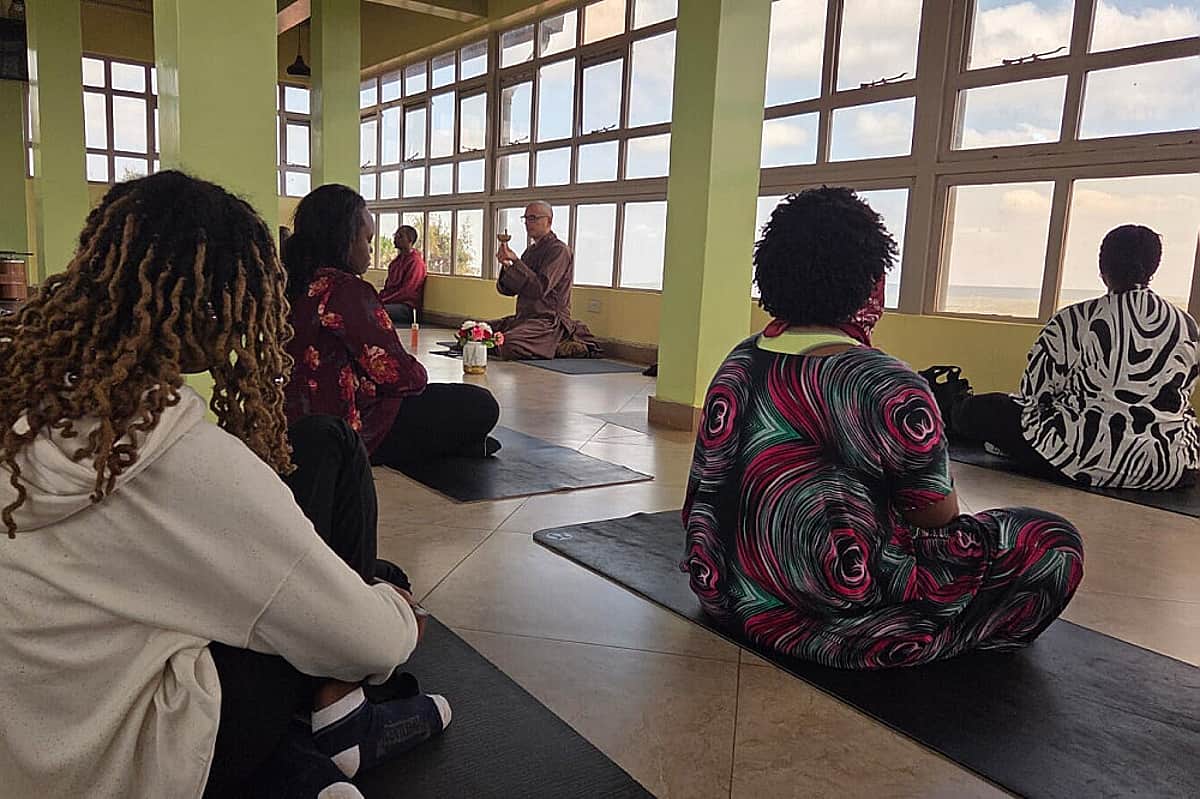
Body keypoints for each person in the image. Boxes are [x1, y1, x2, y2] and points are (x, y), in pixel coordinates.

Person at [0, 171, 450, 799]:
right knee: (331, 602)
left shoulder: (26, 403)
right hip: (121, 762)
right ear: (217, 308)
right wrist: (398, 618)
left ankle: (311, 741)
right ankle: (336, 716)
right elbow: (371, 641)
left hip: (27, 741)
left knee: (322, 451)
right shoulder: (185, 461)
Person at [682, 187, 1084, 670]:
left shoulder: (740, 361)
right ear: (869, 281)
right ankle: (960, 636)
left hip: (725, 595)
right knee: (1052, 539)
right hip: (840, 625)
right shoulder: (887, 384)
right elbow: (938, 522)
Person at [953, 224, 1200, 490]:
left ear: (1102, 268)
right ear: (1154, 268)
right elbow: (1181, 398)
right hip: (1169, 468)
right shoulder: (1187, 325)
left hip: (1084, 459)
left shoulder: (1074, 319)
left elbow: (1033, 397)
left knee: (980, 410)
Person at [282, 184, 500, 466]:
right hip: (349, 428)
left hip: (294, 420)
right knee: (479, 405)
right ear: (345, 240)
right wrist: (416, 374)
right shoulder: (346, 291)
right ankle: (456, 443)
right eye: (367, 240)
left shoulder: (288, 284)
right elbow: (400, 376)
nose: (370, 250)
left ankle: (464, 444)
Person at [491, 201, 599, 360]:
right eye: (526, 218)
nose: (528, 223)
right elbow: (507, 290)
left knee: (507, 342)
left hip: (547, 322)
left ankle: (561, 342)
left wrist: (517, 262)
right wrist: (507, 265)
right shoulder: (530, 251)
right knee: (476, 330)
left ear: (549, 221)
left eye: (533, 218)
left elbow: (539, 288)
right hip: (524, 319)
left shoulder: (559, 250)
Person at [379, 224, 426, 325]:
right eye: (395, 235)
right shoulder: (395, 262)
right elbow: (388, 287)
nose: (395, 238)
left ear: (410, 240)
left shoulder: (415, 262)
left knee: (376, 311)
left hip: (406, 307)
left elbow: (407, 292)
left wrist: (383, 301)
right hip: (390, 302)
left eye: (400, 236)